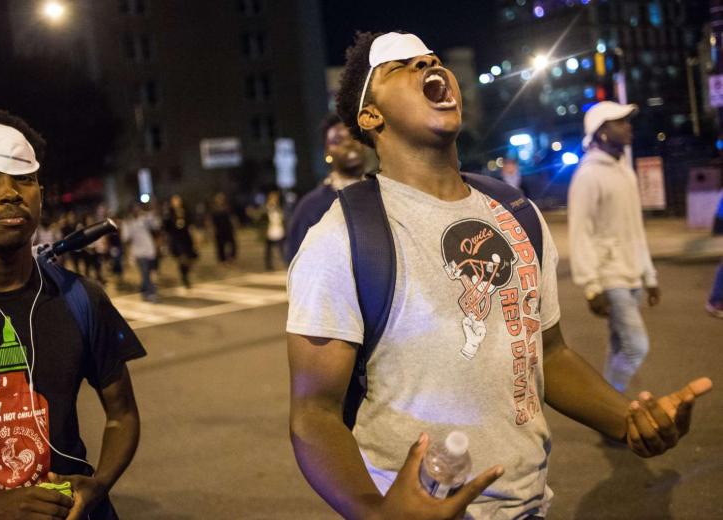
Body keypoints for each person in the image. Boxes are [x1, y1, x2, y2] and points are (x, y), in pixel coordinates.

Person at [286, 32, 712, 520]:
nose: (427, 63)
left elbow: (546, 353)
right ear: (369, 116)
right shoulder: (342, 236)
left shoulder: (517, 211)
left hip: (531, 506)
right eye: (400, 66)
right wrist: (374, 513)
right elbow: (314, 412)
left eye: (432, 57)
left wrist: (629, 421)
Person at [0, 109, 145, 519]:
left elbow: (121, 414)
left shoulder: (81, 298)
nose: (10, 192)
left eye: (25, 179)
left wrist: (97, 485)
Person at [567, 101, 661, 393]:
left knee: (619, 346)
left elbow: (635, 230)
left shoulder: (624, 171)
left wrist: (650, 276)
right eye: (619, 122)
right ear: (602, 133)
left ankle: (609, 408)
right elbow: (580, 232)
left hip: (631, 273)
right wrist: (592, 287)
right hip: (611, 276)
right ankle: (613, 405)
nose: (628, 126)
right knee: (637, 346)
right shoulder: (588, 175)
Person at [284, 114, 367, 262]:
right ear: (327, 152)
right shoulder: (310, 208)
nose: (348, 143)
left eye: (354, 136)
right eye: (337, 140)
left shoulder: (386, 194)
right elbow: (298, 266)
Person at [122, 203, 160, 302]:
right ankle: (150, 293)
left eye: (138, 208)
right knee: (145, 272)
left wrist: (153, 213)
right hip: (138, 252)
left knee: (152, 272)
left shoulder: (145, 219)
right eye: (134, 209)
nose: (137, 210)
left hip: (150, 250)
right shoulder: (128, 222)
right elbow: (125, 238)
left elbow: (156, 225)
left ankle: (144, 289)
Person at [164, 194, 197, 288]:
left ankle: (186, 273)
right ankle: (185, 277)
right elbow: (166, 227)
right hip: (176, 238)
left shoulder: (185, 211)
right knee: (182, 258)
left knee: (190, 258)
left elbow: (190, 223)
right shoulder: (169, 213)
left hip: (186, 237)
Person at [209, 192, 237, 265]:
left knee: (232, 243)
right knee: (220, 245)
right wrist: (212, 229)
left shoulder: (227, 208)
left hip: (228, 228)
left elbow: (232, 218)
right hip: (219, 229)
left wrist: (234, 225)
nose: (220, 200)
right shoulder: (214, 209)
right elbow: (211, 221)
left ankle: (231, 257)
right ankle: (222, 259)